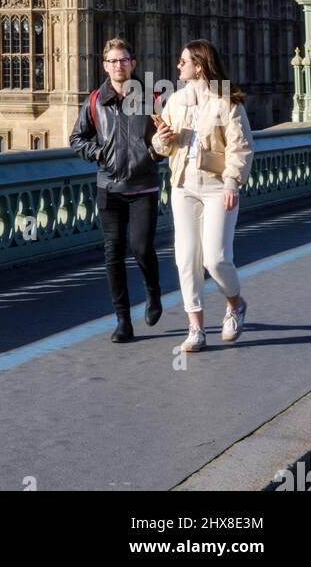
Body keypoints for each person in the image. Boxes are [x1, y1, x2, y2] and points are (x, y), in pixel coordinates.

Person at [151, 40, 254, 352]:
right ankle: (196, 328)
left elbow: (241, 147)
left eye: (183, 62)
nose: (178, 66)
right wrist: (161, 138)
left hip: (216, 186)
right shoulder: (176, 101)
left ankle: (235, 304)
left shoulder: (226, 102)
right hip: (183, 186)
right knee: (186, 257)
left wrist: (232, 183)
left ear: (199, 66)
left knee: (216, 258)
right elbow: (161, 147)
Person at [70, 37, 164, 343]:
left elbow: (168, 137)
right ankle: (123, 319)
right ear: (105, 65)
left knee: (140, 248)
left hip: (143, 186)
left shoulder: (152, 98)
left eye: (123, 60)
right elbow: (77, 138)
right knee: (113, 254)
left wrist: (152, 154)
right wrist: (98, 153)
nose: (118, 65)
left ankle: (153, 293)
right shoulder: (95, 100)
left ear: (133, 64)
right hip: (109, 187)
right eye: (112, 61)